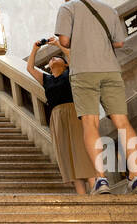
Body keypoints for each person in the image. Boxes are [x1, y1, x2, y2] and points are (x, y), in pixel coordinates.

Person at [54, 0, 137, 194]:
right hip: (110, 70)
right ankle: (136, 177)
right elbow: (120, 43)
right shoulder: (108, 9)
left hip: (84, 71)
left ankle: (101, 180)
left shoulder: (67, 7)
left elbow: (65, 41)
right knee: (122, 122)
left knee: (90, 123)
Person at [26, 38, 97, 196]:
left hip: (74, 113)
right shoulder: (47, 79)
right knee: (68, 157)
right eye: (51, 59)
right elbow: (30, 68)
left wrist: (58, 45)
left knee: (82, 151)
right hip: (57, 118)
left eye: (57, 57)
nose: (52, 58)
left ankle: (96, 191)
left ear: (65, 64)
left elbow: (73, 58)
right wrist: (35, 49)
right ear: (49, 68)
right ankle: (82, 198)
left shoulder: (71, 73)